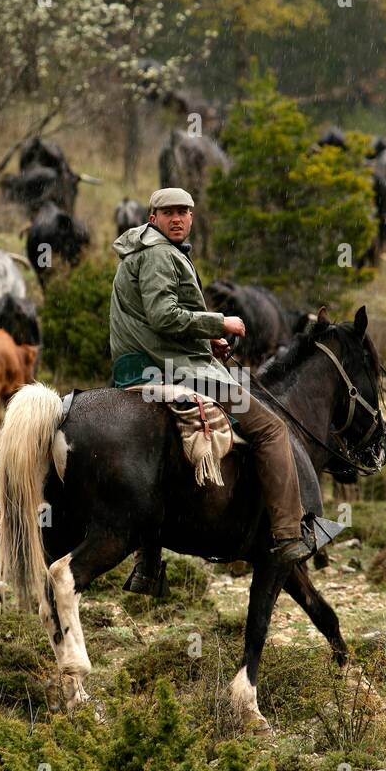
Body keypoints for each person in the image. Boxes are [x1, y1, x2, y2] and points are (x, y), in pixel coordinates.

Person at [108, 187, 314, 568]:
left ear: (192, 217)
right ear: (152, 217)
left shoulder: (145, 250)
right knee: (271, 430)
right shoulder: (158, 254)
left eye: (184, 212)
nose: (177, 218)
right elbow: (162, 314)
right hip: (172, 368)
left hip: (142, 363)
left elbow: (155, 322)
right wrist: (219, 321)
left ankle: (148, 559)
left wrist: (207, 339)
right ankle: (288, 534)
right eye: (169, 212)